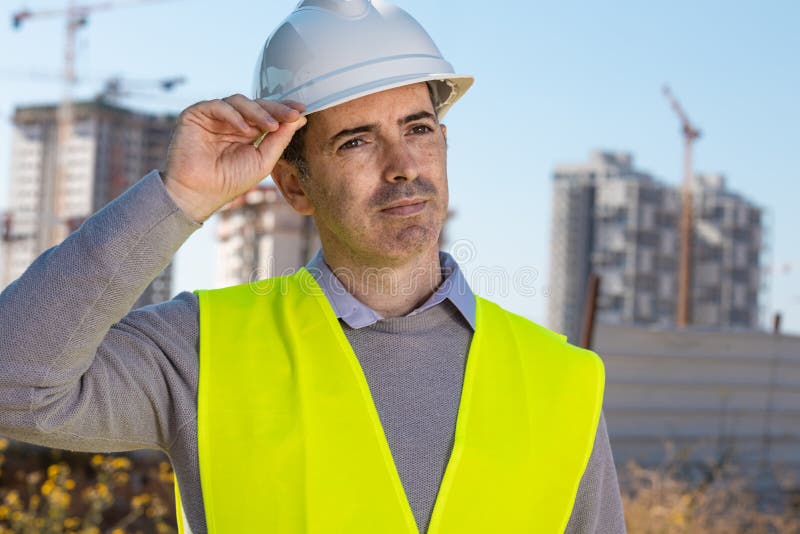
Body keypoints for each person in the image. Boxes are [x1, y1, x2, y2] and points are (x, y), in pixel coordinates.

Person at [0, 1, 625, 532]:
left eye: (418, 129)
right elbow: (13, 380)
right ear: (294, 185)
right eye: (356, 140)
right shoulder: (202, 350)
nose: (403, 165)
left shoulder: (564, 382)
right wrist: (180, 196)